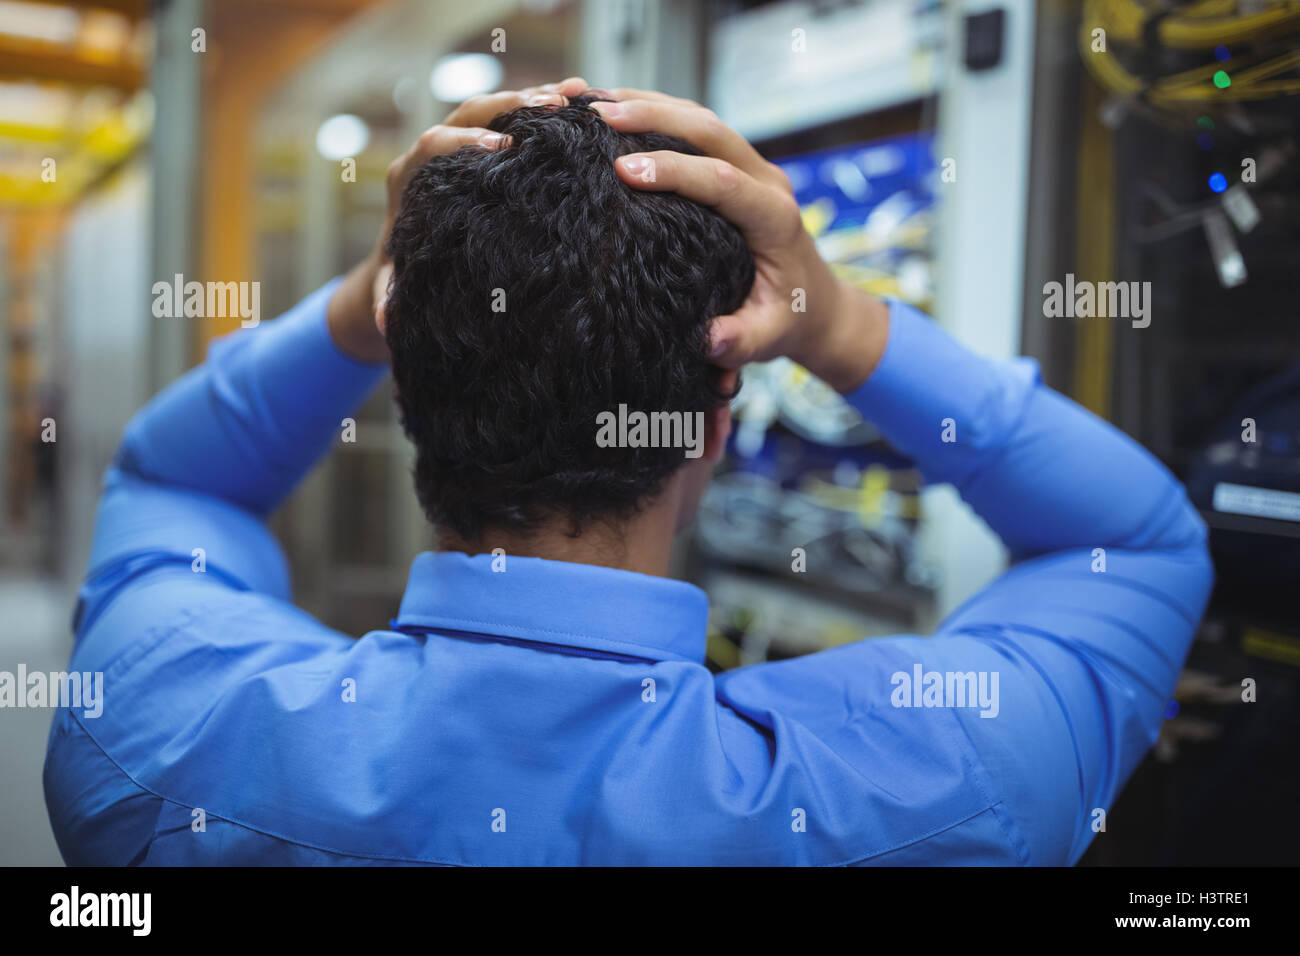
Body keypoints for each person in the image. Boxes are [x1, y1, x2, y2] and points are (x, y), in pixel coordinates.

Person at [44, 78, 1212, 865]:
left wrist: (363, 306)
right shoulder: (942, 780)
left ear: (407, 396)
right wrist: (841, 321)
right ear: (715, 420)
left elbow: (176, 482)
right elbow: (1134, 540)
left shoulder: (160, 730)